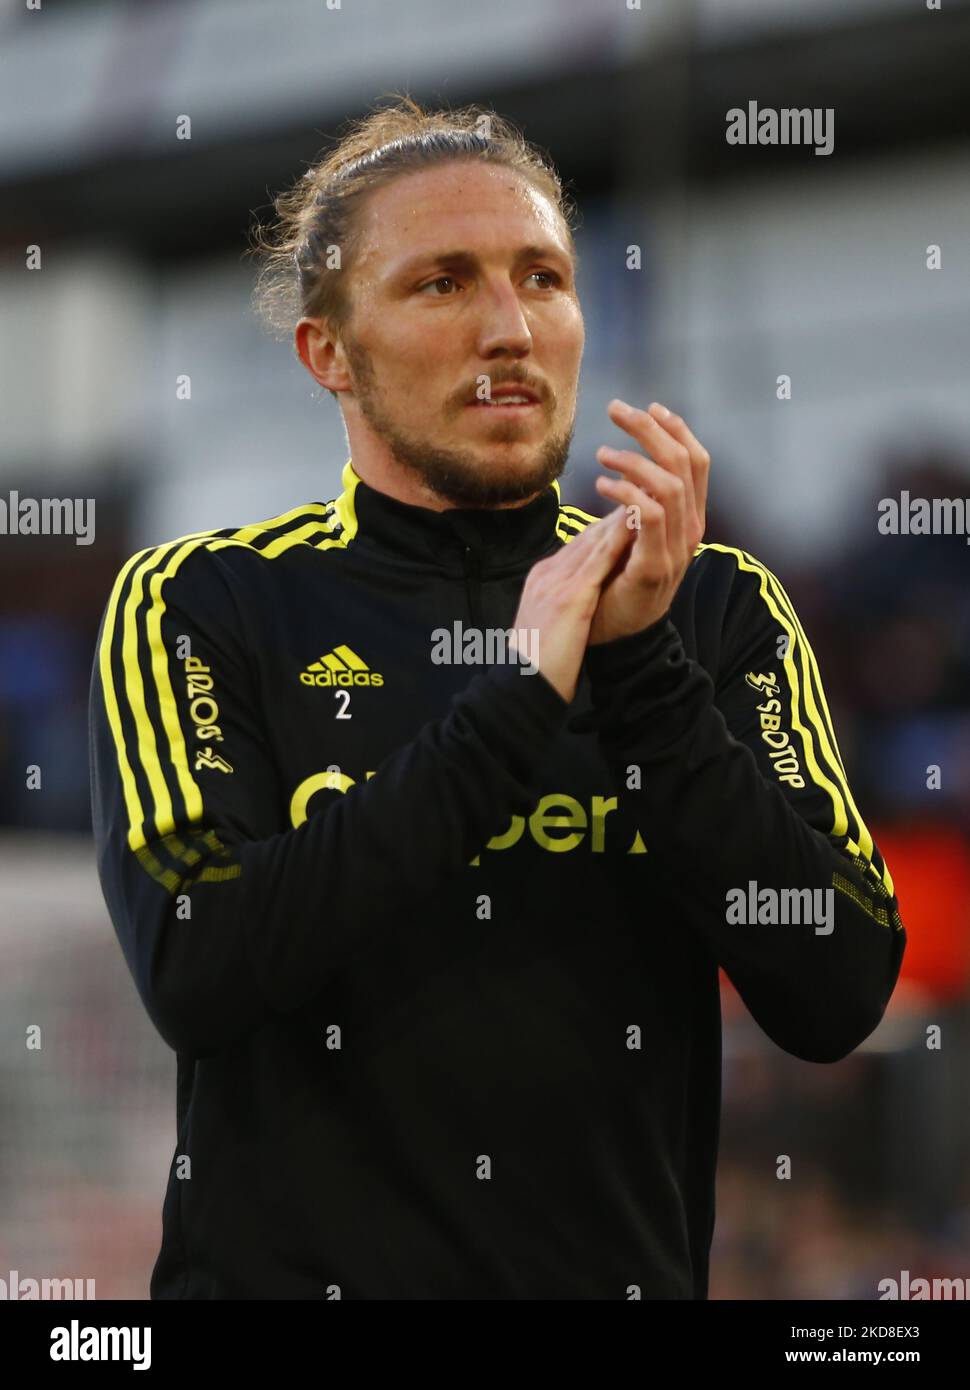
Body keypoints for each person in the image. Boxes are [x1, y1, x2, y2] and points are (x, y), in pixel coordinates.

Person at [88, 97, 906, 1299]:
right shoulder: (199, 601)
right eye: (442, 284)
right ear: (330, 353)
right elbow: (198, 964)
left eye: (543, 277)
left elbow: (835, 988)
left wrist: (639, 669)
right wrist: (517, 704)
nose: (511, 327)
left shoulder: (714, 608)